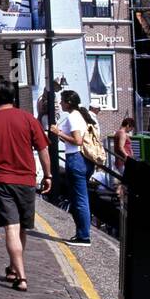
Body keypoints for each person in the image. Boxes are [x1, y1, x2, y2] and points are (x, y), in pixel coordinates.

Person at [0, 77, 52, 292]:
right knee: (21, 229)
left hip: (2, 181)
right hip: (26, 180)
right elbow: (43, 149)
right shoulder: (28, 119)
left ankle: (22, 276)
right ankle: (14, 269)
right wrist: (48, 175)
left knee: (11, 228)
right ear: (14, 98)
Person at [51, 90, 94, 247]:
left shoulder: (73, 117)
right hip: (83, 160)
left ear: (68, 102)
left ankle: (84, 236)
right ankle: (81, 233)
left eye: (62, 101)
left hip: (76, 159)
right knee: (78, 198)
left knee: (80, 199)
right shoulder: (80, 115)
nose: (60, 103)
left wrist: (58, 132)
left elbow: (77, 141)